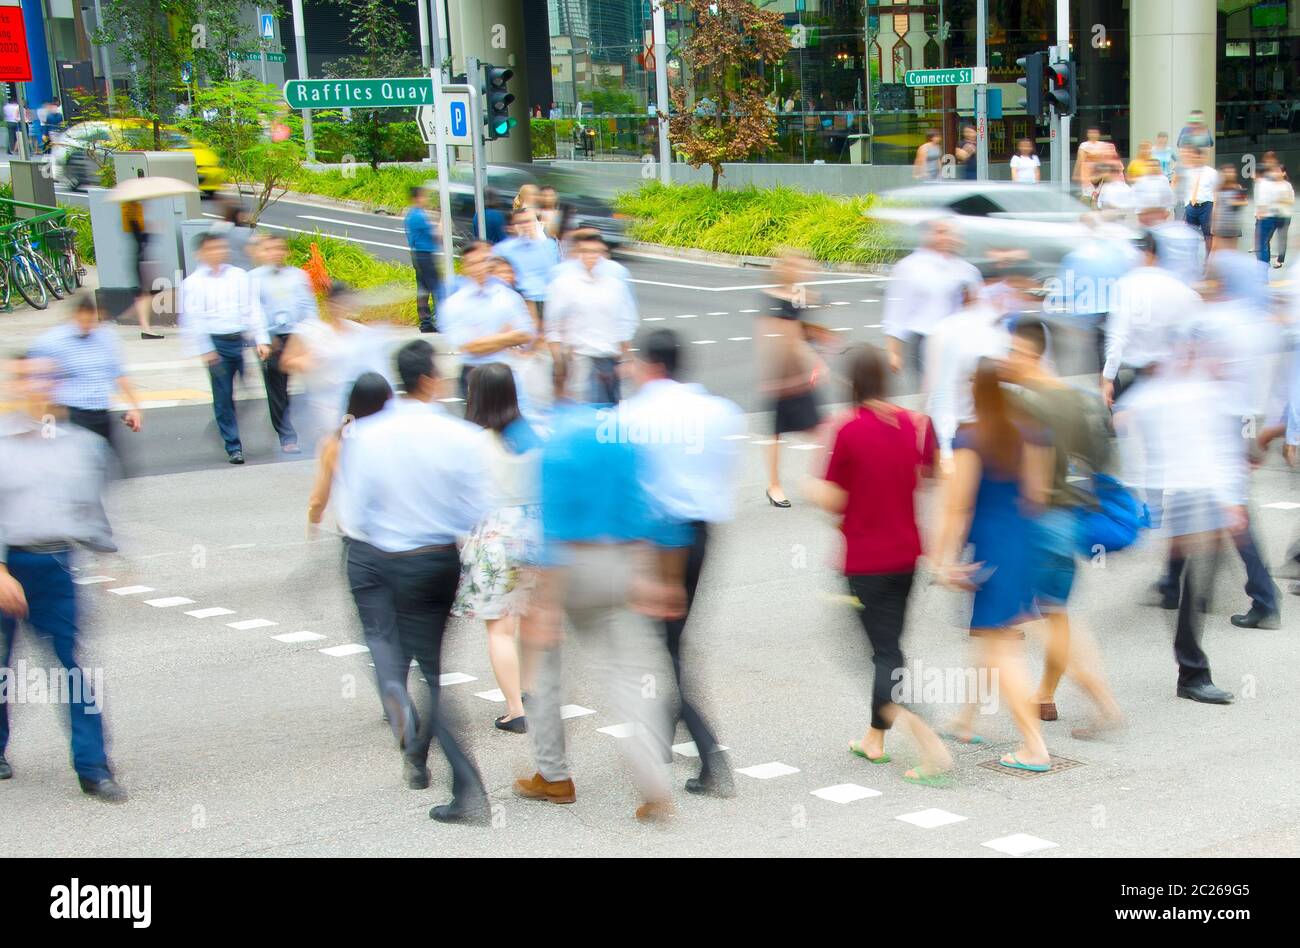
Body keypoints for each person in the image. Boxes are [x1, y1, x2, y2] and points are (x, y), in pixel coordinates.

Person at [514, 372, 688, 822]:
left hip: (570, 566)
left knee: (547, 672)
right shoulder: (628, 440)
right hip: (623, 564)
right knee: (629, 676)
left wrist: (545, 604)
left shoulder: (559, 441)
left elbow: (551, 525)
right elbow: (656, 512)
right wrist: (662, 576)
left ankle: (553, 775)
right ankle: (652, 782)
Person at [336, 339, 492, 823]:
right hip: (437, 561)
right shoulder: (460, 436)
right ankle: (433, 762)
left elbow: (356, 512)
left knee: (403, 655)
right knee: (433, 668)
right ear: (428, 379)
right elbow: (477, 509)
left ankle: (454, 776)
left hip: (387, 559)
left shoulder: (367, 435)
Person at [805, 345, 954, 786]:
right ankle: (875, 739)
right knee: (889, 648)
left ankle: (931, 747)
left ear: (850, 384)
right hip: (907, 556)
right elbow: (934, 476)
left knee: (882, 654)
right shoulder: (915, 424)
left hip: (866, 561)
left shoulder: (848, 429)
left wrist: (813, 489)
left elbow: (834, 498)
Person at [620, 329, 744, 795]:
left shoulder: (632, 415)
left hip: (657, 542)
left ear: (650, 366)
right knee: (674, 637)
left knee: (665, 649)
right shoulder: (719, 411)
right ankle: (662, 737)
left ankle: (711, 757)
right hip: (702, 535)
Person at [0, 355, 125, 801]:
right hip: (7, 564)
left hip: (54, 566)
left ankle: (93, 767)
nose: (39, 385)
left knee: (71, 668)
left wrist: (108, 551)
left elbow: (89, 506)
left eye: (47, 377)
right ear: (16, 384)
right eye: (29, 377)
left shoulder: (78, 445)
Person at [1002, 319, 1124, 737]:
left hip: (1038, 522)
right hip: (1070, 519)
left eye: (1013, 352)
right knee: (1054, 615)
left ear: (1029, 353)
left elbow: (1012, 470)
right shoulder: (1075, 398)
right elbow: (1099, 460)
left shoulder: (1027, 405)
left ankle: (1104, 703)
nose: (1008, 360)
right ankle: (1046, 696)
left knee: (1031, 618)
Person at [934, 361, 1052, 770]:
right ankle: (964, 719)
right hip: (1022, 544)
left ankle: (1034, 746)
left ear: (975, 391)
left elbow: (957, 505)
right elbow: (1038, 494)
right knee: (990, 638)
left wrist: (942, 561)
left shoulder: (970, 438)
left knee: (1001, 648)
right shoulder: (1032, 430)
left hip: (990, 550)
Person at [452, 363, 543, 734]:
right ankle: (532, 690)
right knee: (532, 621)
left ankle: (515, 709)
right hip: (535, 532)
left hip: (493, 536)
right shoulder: (534, 436)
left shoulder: (471, 444)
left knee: (501, 630)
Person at [178, 232, 269, 464]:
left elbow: (251, 307)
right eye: (212, 248)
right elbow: (191, 319)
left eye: (221, 247)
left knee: (248, 391)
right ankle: (233, 446)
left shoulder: (238, 276)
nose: (218, 252)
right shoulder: (194, 283)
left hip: (237, 340)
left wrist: (261, 339)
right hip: (215, 344)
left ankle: (224, 424)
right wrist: (205, 349)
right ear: (201, 253)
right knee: (223, 396)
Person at [281, 282, 394, 452]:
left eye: (345, 302)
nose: (341, 307)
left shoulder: (359, 332)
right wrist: (306, 362)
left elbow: (374, 361)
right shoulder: (310, 331)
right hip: (325, 401)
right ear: (329, 304)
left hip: (353, 398)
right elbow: (286, 361)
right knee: (337, 443)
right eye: (337, 303)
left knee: (353, 445)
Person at [29, 293, 144, 451]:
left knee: (106, 466)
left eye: (92, 321)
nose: (88, 326)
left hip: (102, 414)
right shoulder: (53, 342)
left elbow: (118, 373)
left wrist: (134, 408)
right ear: (75, 315)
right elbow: (39, 387)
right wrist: (42, 424)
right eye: (84, 321)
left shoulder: (106, 337)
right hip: (73, 416)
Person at [1101, 231, 1204, 408]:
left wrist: (1107, 378)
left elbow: (1118, 338)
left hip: (1146, 376)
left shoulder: (1127, 286)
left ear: (1148, 254)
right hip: (1175, 377)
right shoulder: (1181, 288)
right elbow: (1198, 330)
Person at [757, 251, 825, 507]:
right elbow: (788, 335)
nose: (804, 269)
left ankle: (818, 479)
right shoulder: (772, 297)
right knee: (778, 431)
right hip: (781, 374)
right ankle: (775, 485)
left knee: (815, 428)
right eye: (798, 265)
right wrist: (815, 362)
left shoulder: (798, 293)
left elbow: (802, 330)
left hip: (796, 374)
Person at [882, 219, 982, 386]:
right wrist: (894, 352)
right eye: (940, 232)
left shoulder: (968, 271)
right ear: (927, 235)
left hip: (958, 341)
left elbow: (976, 311)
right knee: (935, 392)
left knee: (958, 391)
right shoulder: (910, 267)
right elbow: (896, 311)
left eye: (952, 233)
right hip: (924, 340)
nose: (947, 238)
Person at [544, 233, 638, 405]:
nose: (591, 256)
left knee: (609, 414)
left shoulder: (615, 285)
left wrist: (628, 358)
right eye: (586, 251)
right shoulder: (564, 284)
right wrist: (559, 364)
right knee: (586, 411)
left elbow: (624, 324)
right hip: (580, 361)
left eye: (596, 252)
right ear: (578, 254)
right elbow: (553, 327)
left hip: (609, 360)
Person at [440, 241, 535, 401]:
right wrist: (507, 338)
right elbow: (470, 347)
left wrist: (489, 341)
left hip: (506, 373)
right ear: (464, 267)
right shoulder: (455, 304)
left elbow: (526, 334)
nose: (479, 268)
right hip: (474, 375)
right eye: (473, 263)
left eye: (483, 261)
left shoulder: (508, 297)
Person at [251, 234, 318, 454]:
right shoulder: (254, 278)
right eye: (270, 249)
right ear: (263, 252)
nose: (276, 253)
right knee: (278, 390)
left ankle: (316, 428)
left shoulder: (298, 276)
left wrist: (313, 336)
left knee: (314, 383)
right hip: (272, 339)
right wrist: (262, 340)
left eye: (279, 248)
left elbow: (309, 307)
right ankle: (287, 436)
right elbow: (254, 311)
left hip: (297, 335)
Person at [307, 372, 392, 532]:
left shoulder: (336, 442)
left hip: (357, 529)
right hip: (399, 527)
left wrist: (314, 517)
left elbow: (318, 499)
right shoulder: (398, 436)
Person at [495, 206, 559, 331]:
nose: (525, 226)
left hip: (547, 302)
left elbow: (553, 274)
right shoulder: (503, 249)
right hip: (520, 301)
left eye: (528, 221)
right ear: (513, 226)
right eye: (520, 222)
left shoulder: (548, 246)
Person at [121, 200, 164, 340]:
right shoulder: (134, 220)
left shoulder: (135, 219)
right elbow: (141, 239)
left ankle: (146, 327)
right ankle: (145, 327)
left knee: (145, 295)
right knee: (144, 295)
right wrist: (151, 229)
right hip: (141, 261)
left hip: (141, 260)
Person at [404, 186, 441, 334]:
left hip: (417, 255)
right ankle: (438, 320)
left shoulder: (412, 215)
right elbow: (435, 236)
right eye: (423, 196)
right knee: (436, 288)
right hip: (425, 255)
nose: (426, 199)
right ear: (417, 198)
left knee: (423, 289)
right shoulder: (419, 216)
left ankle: (425, 322)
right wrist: (442, 222)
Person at [1175, 147, 1218, 252]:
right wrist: (1186, 205)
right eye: (1194, 157)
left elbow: (1216, 192)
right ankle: (1192, 259)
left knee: (1208, 235)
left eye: (1199, 157)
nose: (1196, 159)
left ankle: (1208, 260)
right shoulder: (1188, 172)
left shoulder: (1211, 172)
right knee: (1190, 235)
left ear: (1203, 158)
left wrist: (1215, 210)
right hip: (1191, 206)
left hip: (1206, 206)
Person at [1254, 161, 1293, 267]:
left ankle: (1280, 260)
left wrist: (1280, 199)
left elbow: (1291, 201)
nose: (1275, 173)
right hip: (1273, 215)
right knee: (1267, 238)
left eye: (1278, 171)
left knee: (1282, 238)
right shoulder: (1271, 184)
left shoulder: (1287, 185)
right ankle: (1267, 258)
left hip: (1284, 215)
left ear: (1283, 173)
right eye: (1274, 171)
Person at [1075, 127, 1121, 202]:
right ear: (1088, 134)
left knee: (1098, 195)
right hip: (1088, 174)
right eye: (1091, 133)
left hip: (1099, 173)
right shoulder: (1084, 145)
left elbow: (1110, 157)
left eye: (1095, 133)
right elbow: (1080, 160)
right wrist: (1076, 174)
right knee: (1088, 196)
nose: (1093, 135)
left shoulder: (1103, 145)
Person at [1210, 163, 1247, 252]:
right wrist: (1213, 224)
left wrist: (1235, 202)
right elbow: (1215, 205)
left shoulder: (1238, 187)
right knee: (1215, 248)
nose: (1229, 174)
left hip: (1233, 223)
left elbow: (1244, 202)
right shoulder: (1218, 188)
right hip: (1220, 223)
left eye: (1231, 172)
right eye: (1227, 172)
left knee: (1232, 250)